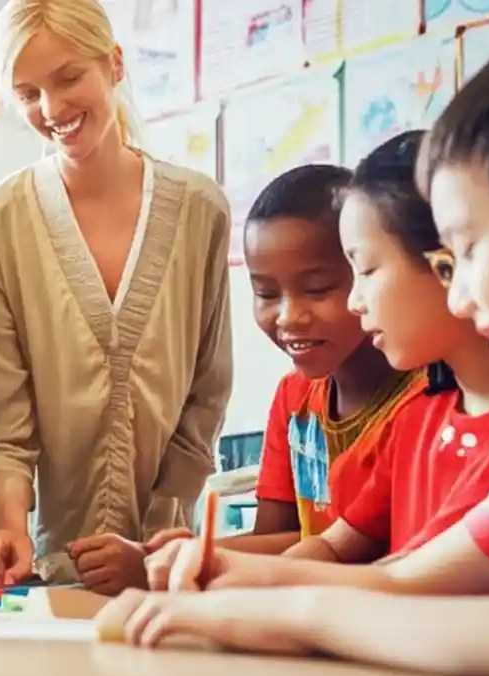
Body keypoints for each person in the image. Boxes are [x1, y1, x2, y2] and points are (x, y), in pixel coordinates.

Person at [96, 20, 489, 676]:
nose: (458, 294)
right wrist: (224, 579)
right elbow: (404, 579)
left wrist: (288, 616)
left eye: (465, 251)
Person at [0, 0, 232, 595]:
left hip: (168, 563)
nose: (52, 109)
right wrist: (10, 528)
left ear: (114, 64)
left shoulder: (199, 210)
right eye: (28, 93)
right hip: (48, 570)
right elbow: (4, 421)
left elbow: (205, 396)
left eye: (68, 77)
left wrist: (159, 533)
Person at [148, 165, 423, 560]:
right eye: (266, 293)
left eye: (316, 289)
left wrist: (205, 559)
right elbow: (282, 538)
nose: (288, 316)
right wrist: (172, 556)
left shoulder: (424, 401)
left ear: (365, 277)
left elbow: (372, 554)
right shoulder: (295, 397)